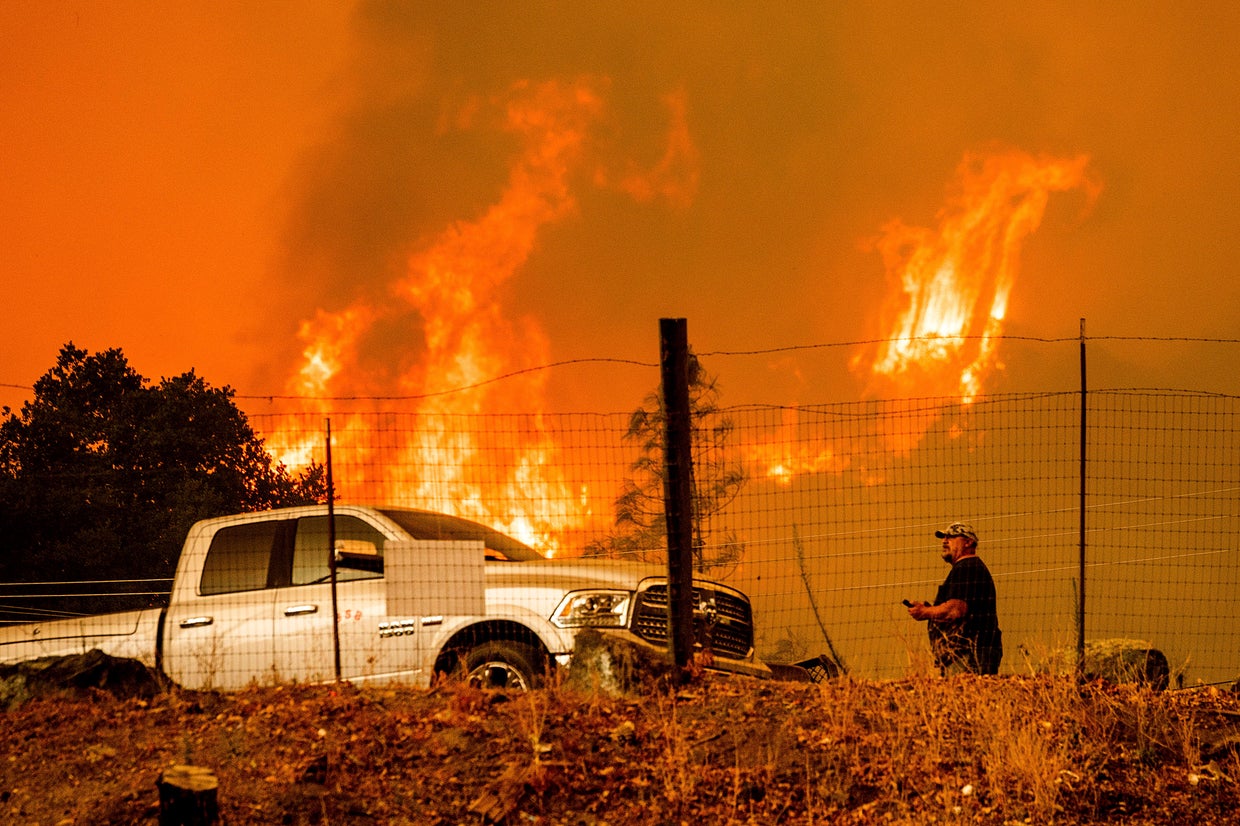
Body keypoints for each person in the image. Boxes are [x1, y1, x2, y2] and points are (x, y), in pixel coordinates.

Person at [907, 522, 1002, 675]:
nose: (944, 541)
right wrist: (931, 609)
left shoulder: (967, 567)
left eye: (951, 536)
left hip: (968, 655)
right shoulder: (967, 568)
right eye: (944, 537)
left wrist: (925, 612)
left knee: (965, 696)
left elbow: (956, 609)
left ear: (968, 542)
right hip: (966, 655)